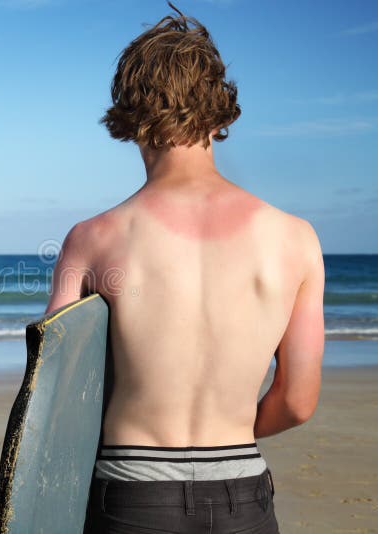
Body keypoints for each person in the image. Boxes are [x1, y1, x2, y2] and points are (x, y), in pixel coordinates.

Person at [44, 3, 325, 533]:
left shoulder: (93, 238)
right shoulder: (295, 239)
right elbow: (297, 401)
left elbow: (54, 394)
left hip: (129, 499)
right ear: (221, 113)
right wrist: (233, 432)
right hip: (244, 496)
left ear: (129, 114)